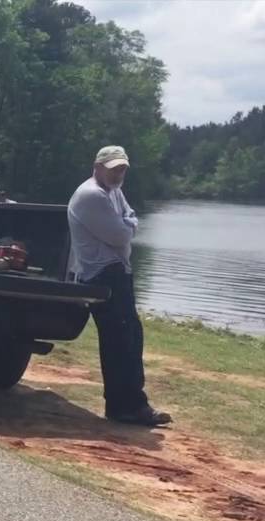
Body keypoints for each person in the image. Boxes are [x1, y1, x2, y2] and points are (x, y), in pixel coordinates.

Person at [67, 146, 171, 427]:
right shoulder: (92, 195)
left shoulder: (114, 191)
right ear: (97, 166)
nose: (118, 173)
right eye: (113, 168)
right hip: (104, 275)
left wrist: (127, 226)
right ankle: (127, 407)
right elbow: (120, 234)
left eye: (122, 168)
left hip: (117, 272)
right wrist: (127, 227)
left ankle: (127, 404)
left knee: (129, 337)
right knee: (119, 342)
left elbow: (131, 219)